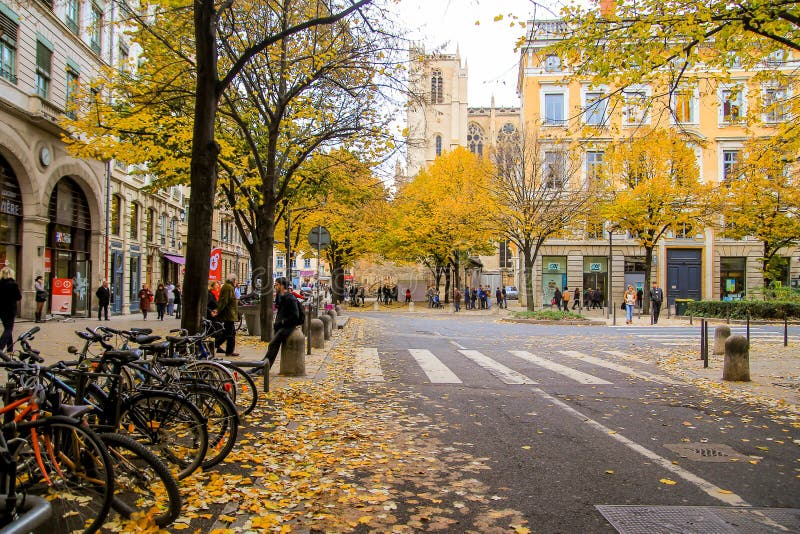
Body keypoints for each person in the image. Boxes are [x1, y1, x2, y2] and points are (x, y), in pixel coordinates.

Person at [263, 277, 302, 369]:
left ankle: (263, 367)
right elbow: (279, 308)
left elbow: (295, 316)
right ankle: (262, 366)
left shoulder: (290, 298)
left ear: (282, 286)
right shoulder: (279, 295)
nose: (275, 286)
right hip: (279, 325)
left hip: (287, 327)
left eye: (276, 285)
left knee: (273, 344)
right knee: (273, 346)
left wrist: (283, 321)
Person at [215, 274, 239, 356]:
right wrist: (218, 310)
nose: (237, 282)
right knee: (228, 333)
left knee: (231, 333)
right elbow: (224, 301)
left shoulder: (229, 287)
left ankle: (229, 351)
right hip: (228, 314)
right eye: (236, 280)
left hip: (229, 314)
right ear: (233, 280)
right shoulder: (228, 287)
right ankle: (215, 345)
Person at [0, 267, 22, 352]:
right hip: (10, 309)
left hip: (1, 309)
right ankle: (1, 347)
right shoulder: (13, 284)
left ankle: (10, 349)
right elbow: (18, 297)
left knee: (7, 328)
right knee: (9, 329)